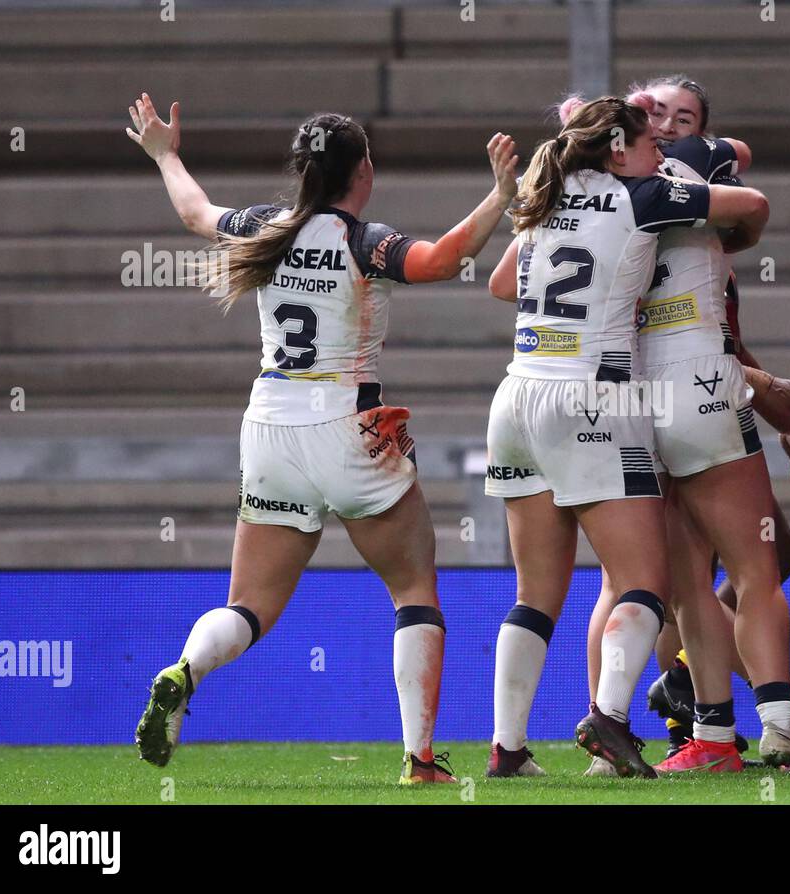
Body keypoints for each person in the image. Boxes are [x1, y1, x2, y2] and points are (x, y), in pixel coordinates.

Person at [125, 92, 518, 784]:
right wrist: (499, 196)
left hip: (271, 430)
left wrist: (164, 152)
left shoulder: (261, 227)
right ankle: (420, 760)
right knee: (414, 590)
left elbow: (193, 212)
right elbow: (438, 260)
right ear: (362, 171)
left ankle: (186, 670)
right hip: (350, 428)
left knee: (248, 605)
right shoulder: (365, 241)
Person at [482, 96, 770, 779]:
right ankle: (610, 718)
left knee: (535, 594)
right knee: (646, 579)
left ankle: (508, 750)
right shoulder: (644, 195)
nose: (659, 156)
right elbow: (751, 202)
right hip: (595, 394)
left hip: (517, 396)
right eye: (649, 147)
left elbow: (500, 284)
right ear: (618, 151)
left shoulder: (547, 197)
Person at [584, 77, 790, 772]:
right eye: (655, 114)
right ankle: (783, 719)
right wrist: (736, 226)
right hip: (699, 377)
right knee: (755, 568)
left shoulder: (595, 188)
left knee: (681, 581)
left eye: (680, 115)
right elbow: (748, 185)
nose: (666, 125)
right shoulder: (694, 163)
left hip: (630, 391)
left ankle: (709, 738)